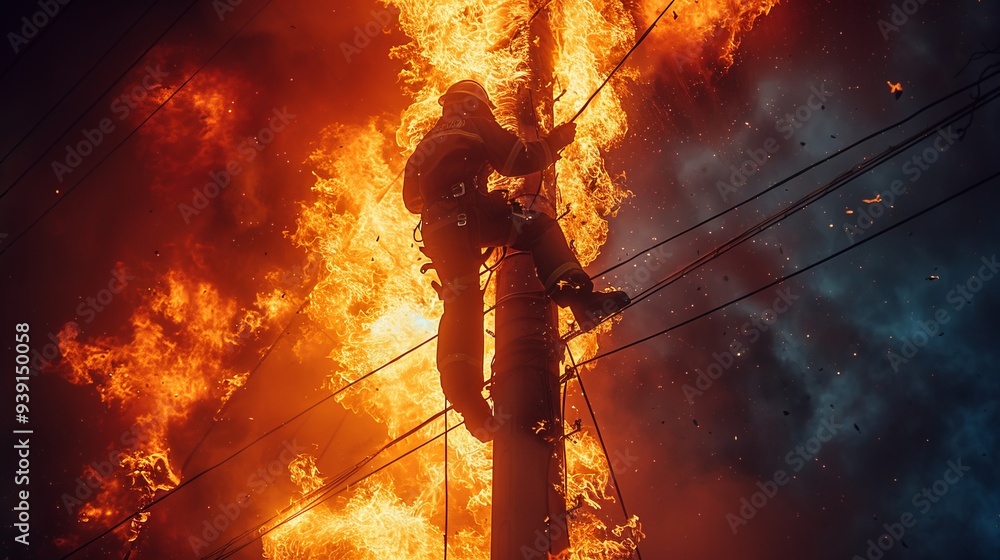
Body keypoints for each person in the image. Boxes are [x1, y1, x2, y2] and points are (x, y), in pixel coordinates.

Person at [403, 79, 630, 442]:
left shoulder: (425, 143)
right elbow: (517, 160)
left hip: (437, 230)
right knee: (538, 228)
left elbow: (412, 201)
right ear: (475, 104)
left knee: (461, 304)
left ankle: (470, 405)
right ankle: (581, 302)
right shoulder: (474, 121)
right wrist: (554, 141)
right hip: (468, 216)